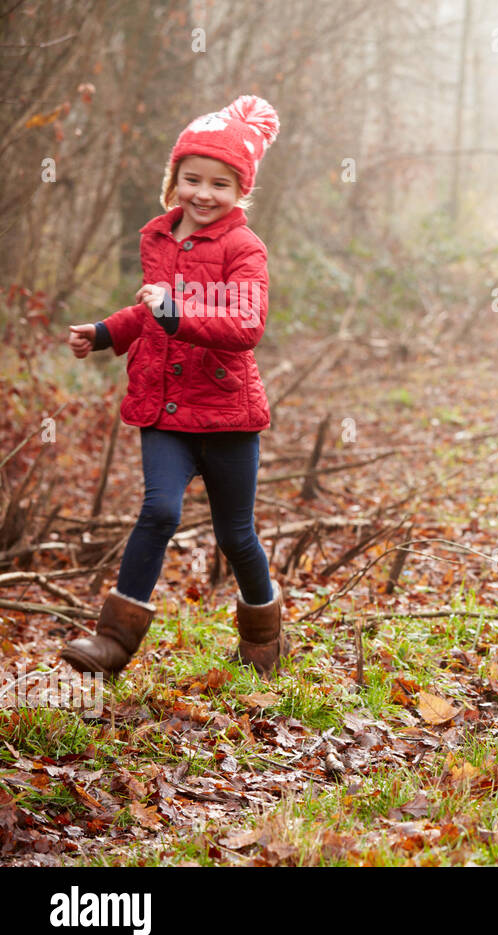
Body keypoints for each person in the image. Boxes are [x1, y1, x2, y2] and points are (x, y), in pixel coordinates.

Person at [63, 95, 288, 678]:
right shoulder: (158, 239)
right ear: (174, 180)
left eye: (220, 183)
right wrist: (107, 331)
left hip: (227, 417)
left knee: (235, 535)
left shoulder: (245, 249)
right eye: (192, 179)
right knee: (157, 511)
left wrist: (176, 312)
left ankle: (263, 639)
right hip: (164, 409)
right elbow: (149, 309)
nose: (204, 194)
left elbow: (246, 325)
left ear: (241, 191)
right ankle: (113, 641)